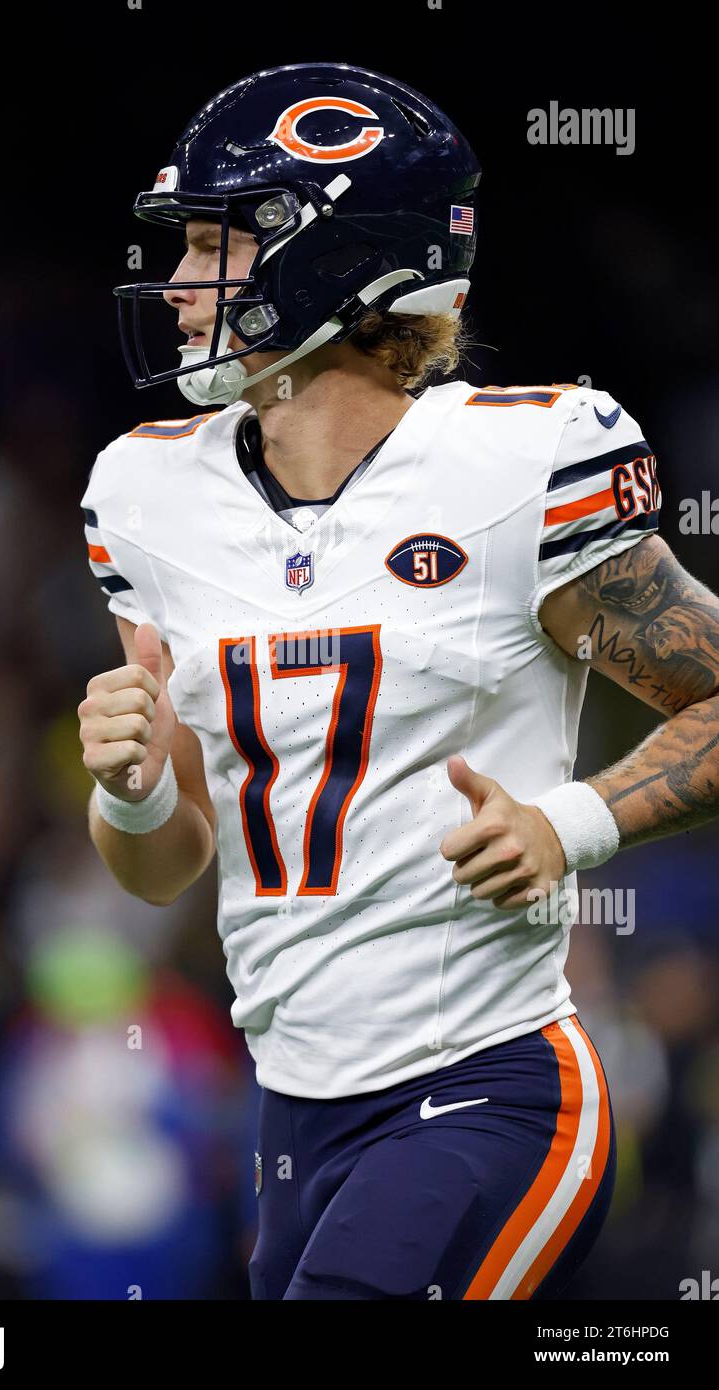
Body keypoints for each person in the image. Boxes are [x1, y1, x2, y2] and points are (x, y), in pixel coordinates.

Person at [77, 63, 719, 1299]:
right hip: (289, 1109)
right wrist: (135, 788)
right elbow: (162, 866)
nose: (175, 283)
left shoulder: (521, 460)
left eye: (215, 242)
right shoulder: (147, 493)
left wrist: (568, 822)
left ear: (337, 261)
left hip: (487, 1083)